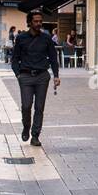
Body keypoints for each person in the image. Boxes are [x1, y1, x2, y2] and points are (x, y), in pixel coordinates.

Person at [10, 10, 60, 145]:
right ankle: (26, 127)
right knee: (26, 106)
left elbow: (53, 58)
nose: (38, 24)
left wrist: (56, 75)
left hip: (42, 77)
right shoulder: (21, 38)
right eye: (36, 21)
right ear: (30, 22)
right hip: (25, 76)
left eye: (40, 21)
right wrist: (18, 75)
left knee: (39, 107)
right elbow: (14, 59)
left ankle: (35, 135)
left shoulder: (46, 38)